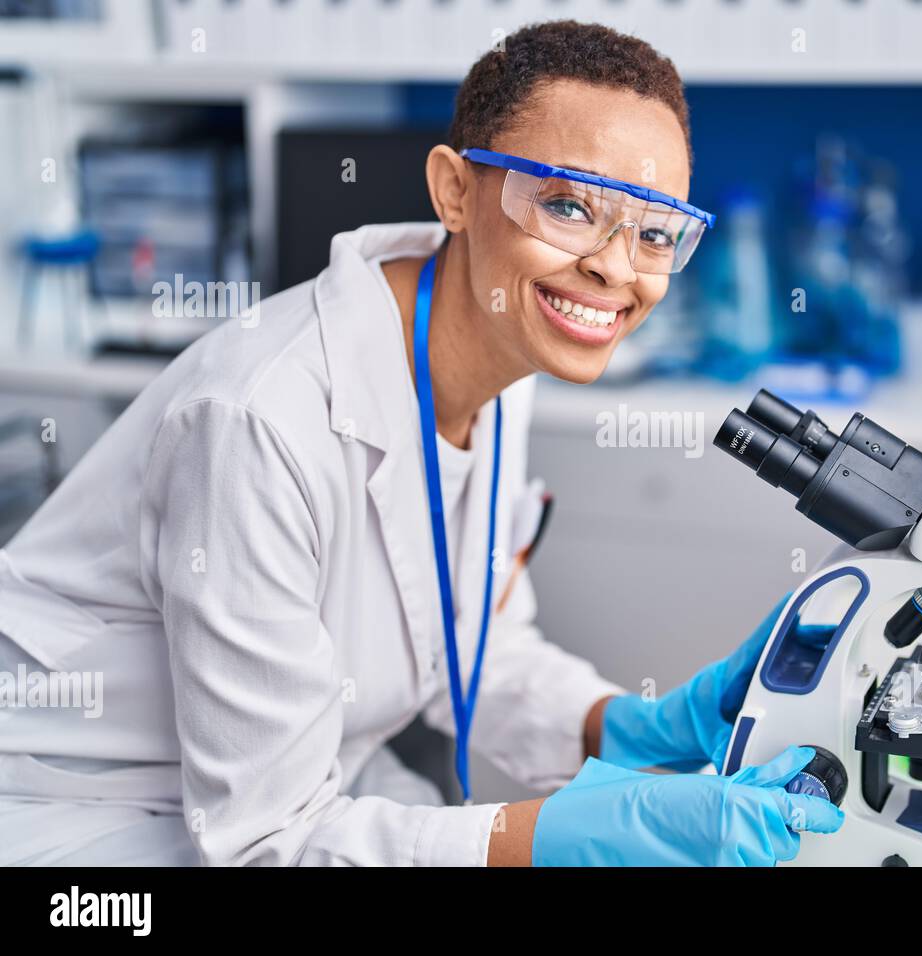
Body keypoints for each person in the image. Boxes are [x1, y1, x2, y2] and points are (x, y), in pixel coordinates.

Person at [0, 20, 842, 866]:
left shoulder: (498, 345)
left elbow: (471, 644)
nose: (616, 269)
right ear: (454, 191)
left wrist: (640, 726)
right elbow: (266, 844)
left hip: (310, 774)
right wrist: (553, 839)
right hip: (82, 808)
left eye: (655, 231)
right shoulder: (258, 421)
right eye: (569, 206)